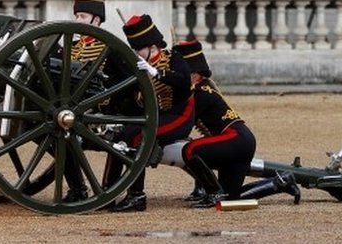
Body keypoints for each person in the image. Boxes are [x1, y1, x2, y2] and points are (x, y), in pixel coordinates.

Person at [174, 40, 300, 208]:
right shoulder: (203, 89)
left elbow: (181, 123)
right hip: (241, 142)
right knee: (228, 197)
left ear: (194, 74)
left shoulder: (199, 93)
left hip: (235, 140)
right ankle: (280, 182)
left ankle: (210, 192)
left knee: (190, 150)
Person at [107, 14, 194, 212]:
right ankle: (108, 192)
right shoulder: (138, 65)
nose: (135, 53)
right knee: (119, 138)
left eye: (138, 49)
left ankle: (137, 196)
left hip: (178, 117)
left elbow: (184, 82)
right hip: (155, 118)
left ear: (152, 47)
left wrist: (156, 72)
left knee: (138, 137)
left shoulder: (173, 58)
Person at [62, 0, 108, 202]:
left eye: (82, 16)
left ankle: (79, 189)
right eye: (77, 16)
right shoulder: (72, 47)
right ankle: (77, 187)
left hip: (95, 108)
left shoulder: (106, 47)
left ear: (96, 20)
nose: (77, 20)